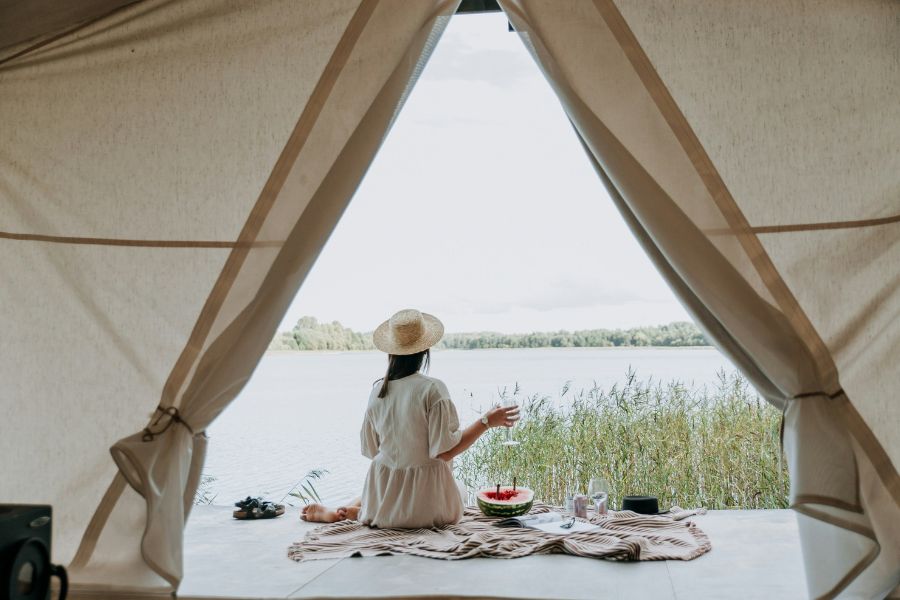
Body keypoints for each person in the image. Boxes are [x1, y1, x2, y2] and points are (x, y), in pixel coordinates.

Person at [301, 308, 519, 527]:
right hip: (427, 510)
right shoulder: (432, 390)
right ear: (425, 350)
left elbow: (371, 450)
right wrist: (486, 422)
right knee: (459, 489)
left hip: (382, 506)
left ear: (391, 352)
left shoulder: (377, 392)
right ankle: (355, 509)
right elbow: (445, 451)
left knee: (390, 475)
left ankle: (352, 509)